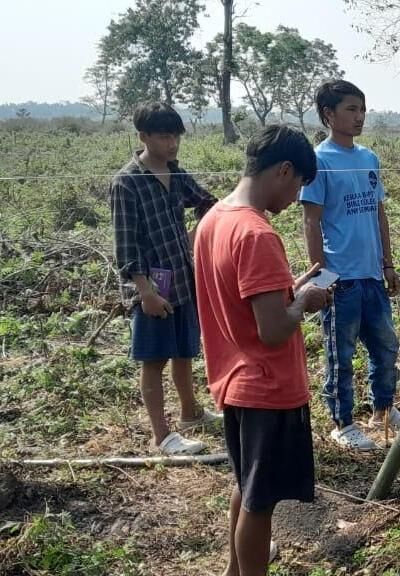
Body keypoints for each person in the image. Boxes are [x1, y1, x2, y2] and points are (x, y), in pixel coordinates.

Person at [193, 124, 331, 576]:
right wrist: (305, 303)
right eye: (298, 187)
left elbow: (247, 303)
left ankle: (235, 570)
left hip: (233, 381)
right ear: (284, 171)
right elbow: (273, 329)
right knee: (261, 501)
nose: (295, 198)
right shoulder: (257, 234)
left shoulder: (213, 220)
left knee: (246, 484)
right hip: (267, 387)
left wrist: (289, 290)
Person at [109, 102, 221, 456]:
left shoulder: (176, 173)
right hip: (153, 285)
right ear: (143, 137)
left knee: (185, 349)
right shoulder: (127, 182)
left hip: (182, 276)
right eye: (163, 136)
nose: (172, 143)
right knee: (155, 359)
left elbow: (208, 203)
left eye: (175, 136)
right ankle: (162, 436)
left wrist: (192, 237)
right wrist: (145, 292)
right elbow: (126, 245)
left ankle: (190, 413)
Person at [300, 80, 400, 450]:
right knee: (340, 354)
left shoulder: (368, 158)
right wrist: (321, 276)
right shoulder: (320, 162)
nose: (359, 117)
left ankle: (384, 408)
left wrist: (388, 264)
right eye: (350, 109)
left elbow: (378, 212)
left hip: (372, 275)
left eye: (361, 109)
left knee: (385, 345)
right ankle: (342, 423)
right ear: (328, 114)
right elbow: (311, 222)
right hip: (340, 279)